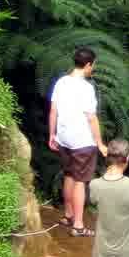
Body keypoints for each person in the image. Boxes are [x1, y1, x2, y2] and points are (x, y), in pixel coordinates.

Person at [49, 47, 106, 236]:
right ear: (88, 64)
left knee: (69, 175)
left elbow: (53, 111)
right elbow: (91, 118)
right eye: (93, 65)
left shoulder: (61, 82)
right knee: (80, 181)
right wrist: (99, 143)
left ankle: (68, 215)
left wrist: (52, 135)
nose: (93, 68)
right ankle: (79, 225)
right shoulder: (86, 88)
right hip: (82, 141)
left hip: (63, 137)